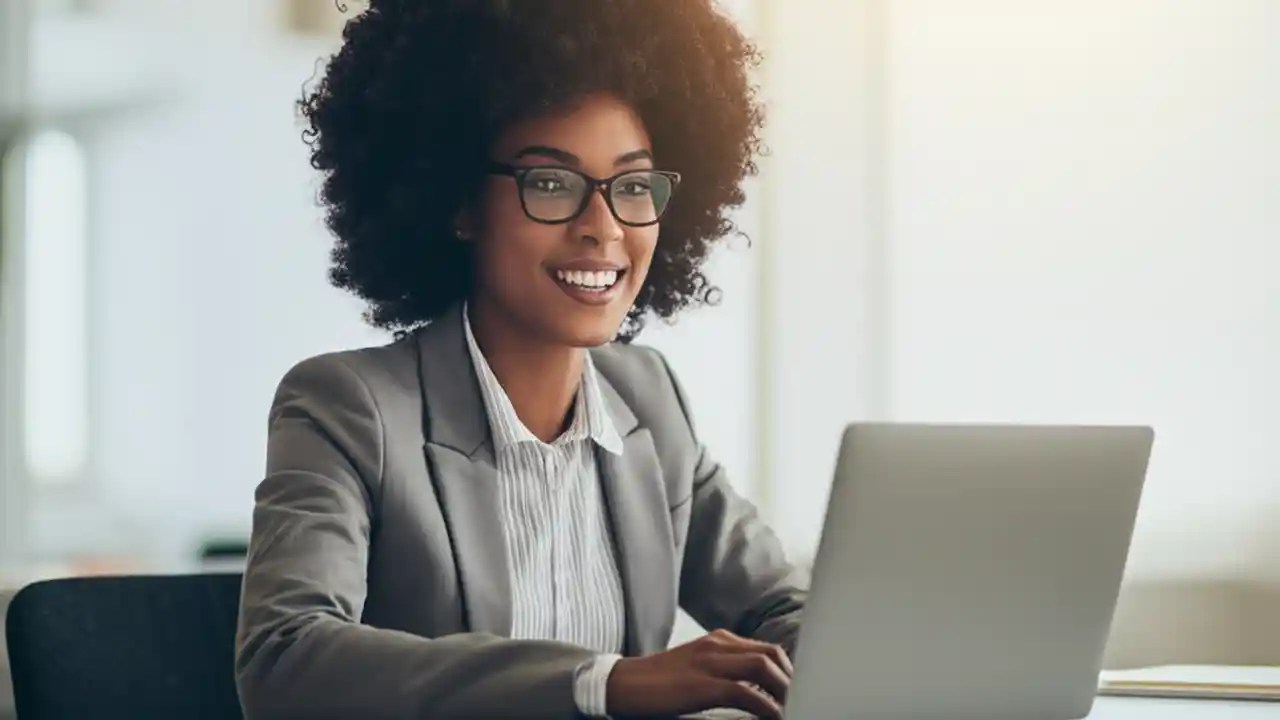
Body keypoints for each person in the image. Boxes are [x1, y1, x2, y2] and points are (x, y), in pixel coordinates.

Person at [234, 1, 807, 718]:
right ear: (461, 205)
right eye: (551, 184)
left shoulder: (648, 399)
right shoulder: (349, 408)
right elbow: (285, 659)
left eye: (633, 186)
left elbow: (785, 607)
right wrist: (605, 683)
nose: (602, 228)